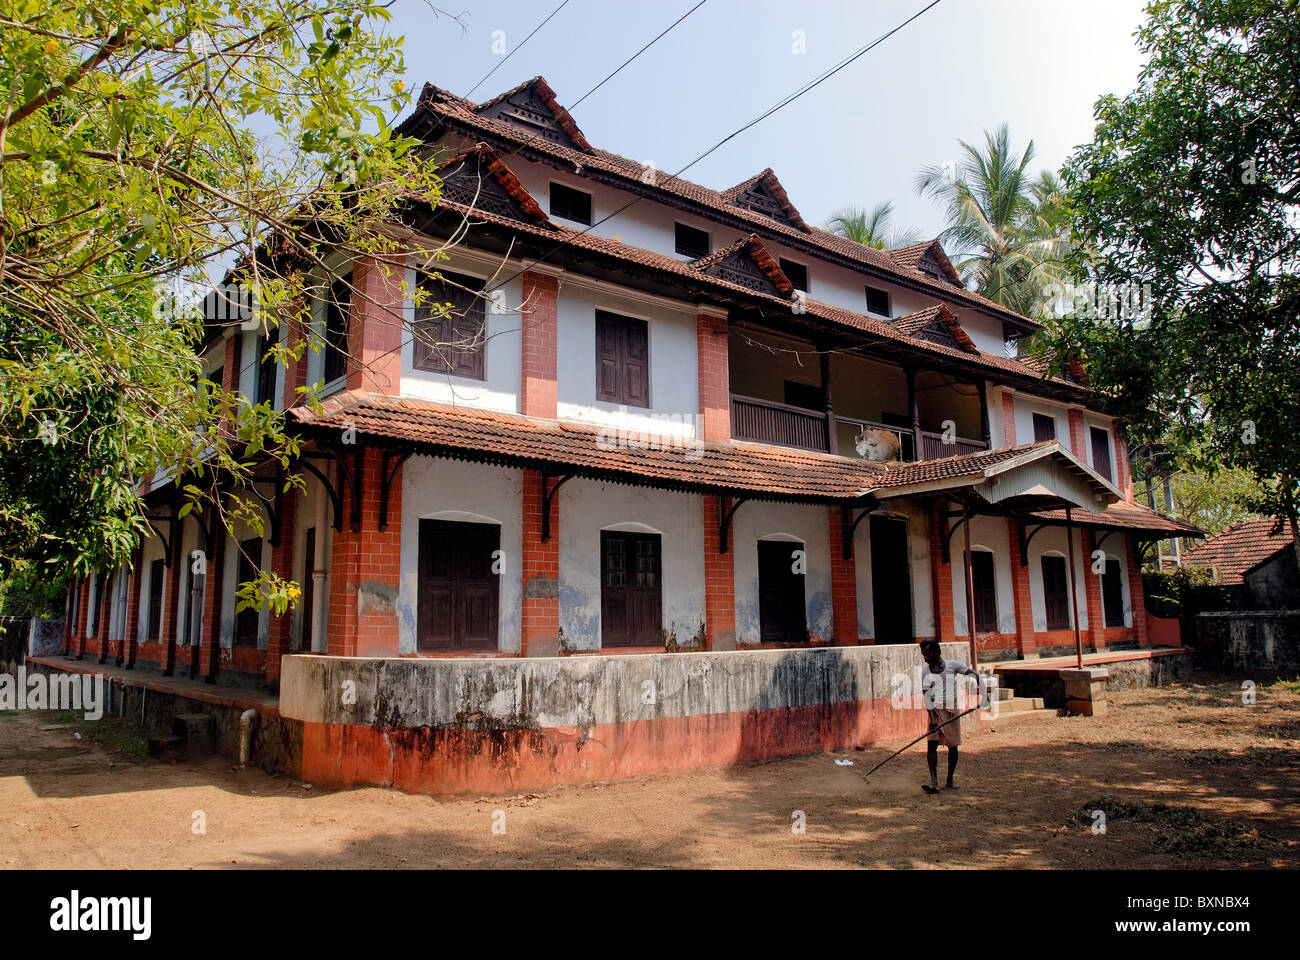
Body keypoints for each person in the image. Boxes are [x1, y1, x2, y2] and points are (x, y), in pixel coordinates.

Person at [918, 639, 984, 794]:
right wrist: (933, 718)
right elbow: (927, 697)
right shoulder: (925, 673)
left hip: (952, 710)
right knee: (931, 743)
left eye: (927, 654)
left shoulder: (952, 665)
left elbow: (971, 673)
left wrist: (980, 684)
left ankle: (950, 779)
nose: (925, 658)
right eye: (923, 654)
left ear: (936, 652)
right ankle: (933, 781)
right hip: (935, 709)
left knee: (952, 746)